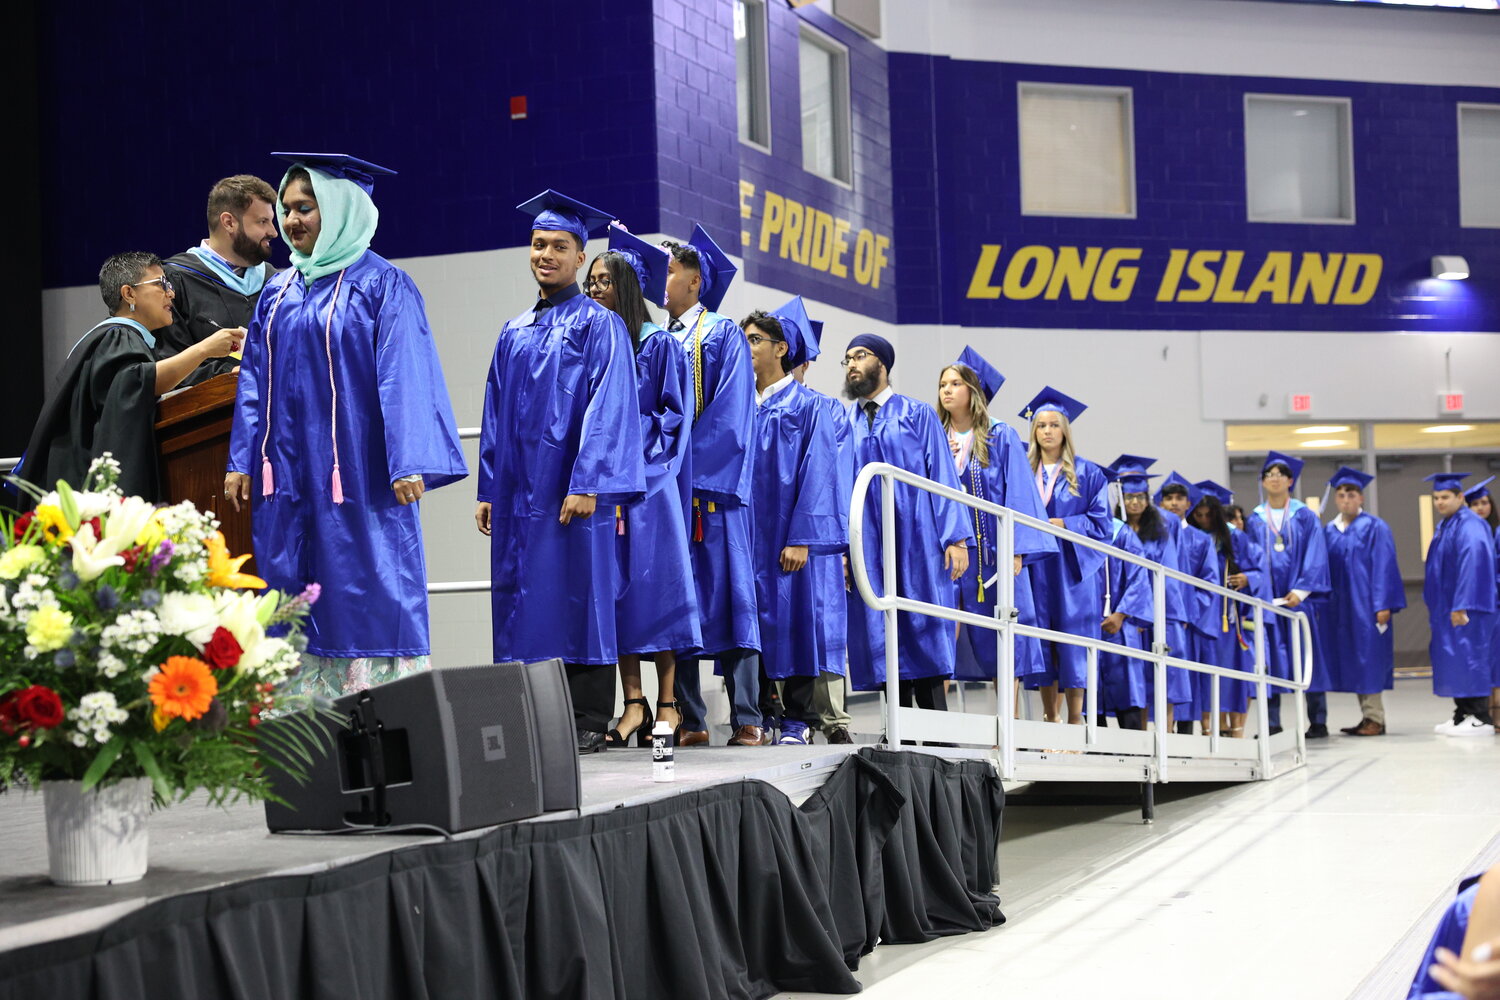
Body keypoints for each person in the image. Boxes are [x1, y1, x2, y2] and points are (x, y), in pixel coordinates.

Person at [227, 154, 467, 701]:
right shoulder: (279, 290)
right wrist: (243, 457)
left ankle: (386, 711)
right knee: (291, 582)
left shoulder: (384, 284)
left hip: (361, 471)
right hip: (287, 475)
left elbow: (405, 373)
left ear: (340, 211)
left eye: (304, 208)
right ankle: (301, 723)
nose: (291, 222)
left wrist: (409, 459)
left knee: (370, 579)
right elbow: (254, 379)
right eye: (286, 210)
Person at [475, 190, 645, 754]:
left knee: (578, 594)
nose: (546, 254)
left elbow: (610, 406)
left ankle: (587, 719)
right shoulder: (512, 329)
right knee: (521, 594)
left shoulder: (600, 325)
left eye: (560, 246)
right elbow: (494, 412)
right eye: (539, 243)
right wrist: (488, 486)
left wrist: (589, 480)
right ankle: (527, 718)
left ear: (580, 258)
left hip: (571, 489)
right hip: (519, 492)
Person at [585, 225, 699, 746]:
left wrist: (630, 456)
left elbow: (673, 419)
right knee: (618, 596)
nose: (594, 290)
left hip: (650, 491)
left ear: (627, 286)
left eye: (604, 281)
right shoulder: (592, 344)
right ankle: (632, 703)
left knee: (658, 592)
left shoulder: (657, 345)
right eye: (591, 283)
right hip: (605, 491)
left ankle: (669, 704)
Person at [22, 252, 242, 502]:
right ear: (129, 294)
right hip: (85, 492)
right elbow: (140, 383)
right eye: (161, 284)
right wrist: (204, 349)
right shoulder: (117, 337)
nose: (171, 293)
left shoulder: (120, 340)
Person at [659, 226, 761, 746]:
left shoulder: (720, 334)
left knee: (732, 597)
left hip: (713, 495)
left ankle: (748, 716)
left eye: (671, 271)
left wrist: (690, 472)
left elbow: (731, 413)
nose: (663, 278)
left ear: (695, 282)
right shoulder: (657, 340)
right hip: (670, 492)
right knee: (683, 604)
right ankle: (693, 720)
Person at [843, 333, 970, 714]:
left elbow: (942, 475)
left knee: (923, 627)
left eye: (860, 356)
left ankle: (937, 737)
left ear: (882, 363)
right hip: (867, 540)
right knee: (879, 626)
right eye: (847, 358)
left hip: (916, 537)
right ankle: (898, 733)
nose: (851, 364)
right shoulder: (844, 421)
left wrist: (956, 538)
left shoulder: (917, 414)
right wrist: (843, 551)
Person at [743, 301, 845, 745]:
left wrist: (803, 537)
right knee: (750, 623)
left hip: (787, 533)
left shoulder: (809, 406)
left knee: (796, 621)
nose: (745, 348)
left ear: (781, 348)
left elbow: (819, 472)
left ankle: (798, 720)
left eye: (753, 340)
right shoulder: (740, 402)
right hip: (745, 533)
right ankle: (760, 715)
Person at [936, 348, 1056, 704]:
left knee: (1004, 637)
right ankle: (935, 723)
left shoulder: (999, 434)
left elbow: (1018, 491)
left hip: (993, 557)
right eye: (943, 384)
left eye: (956, 383)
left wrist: (1015, 549)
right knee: (942, 633)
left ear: (973, 390)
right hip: (948, 554)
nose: (947, 390)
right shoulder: (936, 435)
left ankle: (1006, 724)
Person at [1021, 387, 1111, 725]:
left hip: (1073, 570)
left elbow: (1103, 524)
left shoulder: (1088, 474)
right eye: (1040, 425)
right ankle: (1050, 717)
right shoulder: (1024, 472)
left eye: (1053, 425)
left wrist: (1064, 523)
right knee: (1042, 640)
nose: (1046, 431)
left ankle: (1076, 718)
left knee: (1073, 643)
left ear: (1065, 430)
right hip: (1035, 567)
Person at [793, 320, 856, 744]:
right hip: (770, 534)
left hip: (816, 536)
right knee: (778, 621)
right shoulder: (750, 405)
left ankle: (833, 720)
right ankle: (782, 715)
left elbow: (835, 475)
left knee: (823, 620)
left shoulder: (827, 409)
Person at [155, 174, 280, 387]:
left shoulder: (273, 281)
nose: (274, 232)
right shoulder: (176, 280)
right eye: (262, 222)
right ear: (229, 222)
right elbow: (168, 364)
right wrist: (231, 375)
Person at [1245, 451, 1330, 737]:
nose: (1274, 479)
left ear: (1290, 481)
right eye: (1269, 475)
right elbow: (1251, 558)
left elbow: (1316, 554)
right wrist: (1259, 590)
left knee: (1306, 658)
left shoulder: (1304, 515)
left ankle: (1317, 722)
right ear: (1263, 482)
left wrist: (1302, 590)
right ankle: (1271, 723)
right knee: (1269, 660)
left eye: (1280, 475)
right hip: (1267, 602)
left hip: (1297, 600)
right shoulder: (1256, 518)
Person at [1320, 466, 1404, 737]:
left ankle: (1375, 719)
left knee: (1369, 659)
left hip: (1366, 606)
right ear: (1336, 499)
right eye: (1341, 495)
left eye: (1351, 494)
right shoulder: (1329, 530)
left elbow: (1384, 567)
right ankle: (1366, 718)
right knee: (1354, 660)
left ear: (1361, 499)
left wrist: (1383, 604)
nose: (1346, 499)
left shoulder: (1375, 527)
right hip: (1340, 608)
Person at [1111, 456, 1190, 729]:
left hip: (1160, 611)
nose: (1134, 502)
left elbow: (1168, 572)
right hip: (1128, 615)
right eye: (1129, 496)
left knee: (1165, 676)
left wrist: (1148, 615)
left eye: (1140, 496)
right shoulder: (1113, 526)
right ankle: (1141, 736)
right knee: (1137, 678)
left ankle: (1166, 734)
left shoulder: (1165, 524)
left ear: (1148, 498)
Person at [1423, 472, 1497, 736]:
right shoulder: (1448, 524)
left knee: (1472, 657)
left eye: (1445, 497)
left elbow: (1473, 566)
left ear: (1460, 497)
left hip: (1468, 607)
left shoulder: (1470, 525)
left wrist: (1462, 604)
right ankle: (1462, 713)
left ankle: (1480, 717)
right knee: (1456, 660)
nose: (1440, 502)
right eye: (1436, 498)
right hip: (1450, 605)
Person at [1191, 481, 1266, 737]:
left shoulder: (1235, 537)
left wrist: (1248, 579)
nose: (1204, 520)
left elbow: (1258, 571)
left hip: (1229, 618)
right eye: (1199, 515)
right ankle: (1208, 728)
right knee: (1204, 676)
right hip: (1200, 617)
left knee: (1234, 676)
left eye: (1208, 515)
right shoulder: (1190, 536)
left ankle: (1236, 731)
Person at [1157, 472, 1221, 733]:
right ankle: (1161, 734)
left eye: (1179, 498)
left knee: (1187, 678)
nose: (1174, 503)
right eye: (1168, 498)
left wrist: (1187, 611)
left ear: (1188, 503)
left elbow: (1210, 581)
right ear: (1160, 503)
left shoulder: (1201, 539)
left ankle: (1185, 735)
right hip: (1159, 616)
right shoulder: (1154, 535)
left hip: (1190, 621)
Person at [1097, 467, 1156, 730]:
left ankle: (1132, 747)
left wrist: (1120, 614)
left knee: (1127, 683)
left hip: (1120, 624)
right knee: (1090, 686)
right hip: (1087, 621)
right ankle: (1096, 749)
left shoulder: (1120, 532)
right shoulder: (1078, 527)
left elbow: (1138, 578)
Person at [1465, 476, 1500, 725]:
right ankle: (1482, 711)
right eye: (1475, 503)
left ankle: (1495, 712)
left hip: (1494, 603)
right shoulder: (1470, 532)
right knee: (1482, 657)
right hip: (1477, 605)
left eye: (1485, 502)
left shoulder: (1496, 532)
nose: (1480, 507)